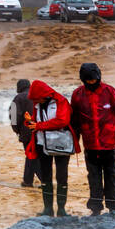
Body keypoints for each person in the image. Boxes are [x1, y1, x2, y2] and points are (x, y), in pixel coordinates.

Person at [69, 62, 115, 215]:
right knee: (93, 177)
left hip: (109, 144)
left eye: (94, 80)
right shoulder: (77, 95)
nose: (92, 83)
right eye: (88, 81)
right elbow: (74, 120)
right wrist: (74, 141)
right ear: (83, 79)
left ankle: (113, 207)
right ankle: (95, 208)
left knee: (112, 175)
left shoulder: (110, 92)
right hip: (90, 144)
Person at [24, 80, 79, 217]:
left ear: (44, 94)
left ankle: (61, 209)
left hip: (61, 144)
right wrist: (30, 121)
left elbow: (63, 120)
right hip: (42, 144)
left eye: (37, 98)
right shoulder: (38, 104)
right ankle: (48, 209)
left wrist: (39, 126)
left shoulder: (61, 101)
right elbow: (37, 122)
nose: (36, 102)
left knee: (62, 176)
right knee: (45, 176)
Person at [8, 79, 37, 187]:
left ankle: (42, 180)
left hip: (27, 132)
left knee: (31, 155)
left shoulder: (18, 98)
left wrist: (16, 130)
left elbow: (14, 116)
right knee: (34, 155)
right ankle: (28, 180)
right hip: (41, 130)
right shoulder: (36, 95)